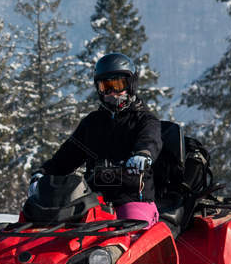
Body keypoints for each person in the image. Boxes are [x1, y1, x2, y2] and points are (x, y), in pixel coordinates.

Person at [40, 52, 163, 223]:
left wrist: (142, 154)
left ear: (130, 85)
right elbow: (66, 157)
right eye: (106, 87)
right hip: (93, 201)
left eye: (118, 85)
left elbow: (150, 140)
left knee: (132, 234)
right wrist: (44, 174)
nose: (112, 93)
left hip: (133, 198)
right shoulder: (92, 123)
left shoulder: (144, 120)